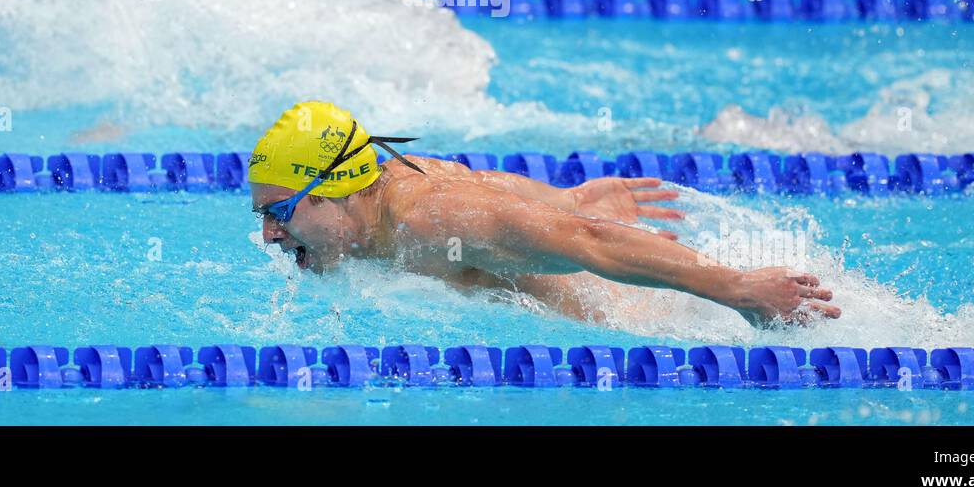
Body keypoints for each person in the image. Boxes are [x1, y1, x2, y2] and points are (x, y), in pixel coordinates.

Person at [249, 101, 839, 326]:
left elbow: (590, 242)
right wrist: (566, 200)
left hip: (658, 324)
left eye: (280, 212)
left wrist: (737, 288)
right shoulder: (388, 188)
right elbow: (493, 190)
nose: (270, 234)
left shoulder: (429, 220)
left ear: (337, 188)